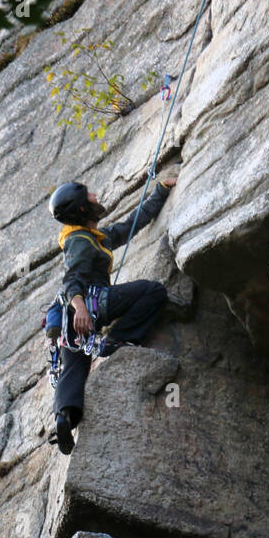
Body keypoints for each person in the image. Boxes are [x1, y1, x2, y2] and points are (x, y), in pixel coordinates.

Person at [47, 172, 176, 454]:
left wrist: (161, 191)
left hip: (72, 316)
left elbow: (131, 225)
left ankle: (65, 418)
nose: (95, 196)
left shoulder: (93, 237)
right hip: (89, 304)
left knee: (74, 367)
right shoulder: (80, 241)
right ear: (82, 208)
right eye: (89, 196)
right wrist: (80, 306)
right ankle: (119, 342)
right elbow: (73, 277)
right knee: (153, 291)